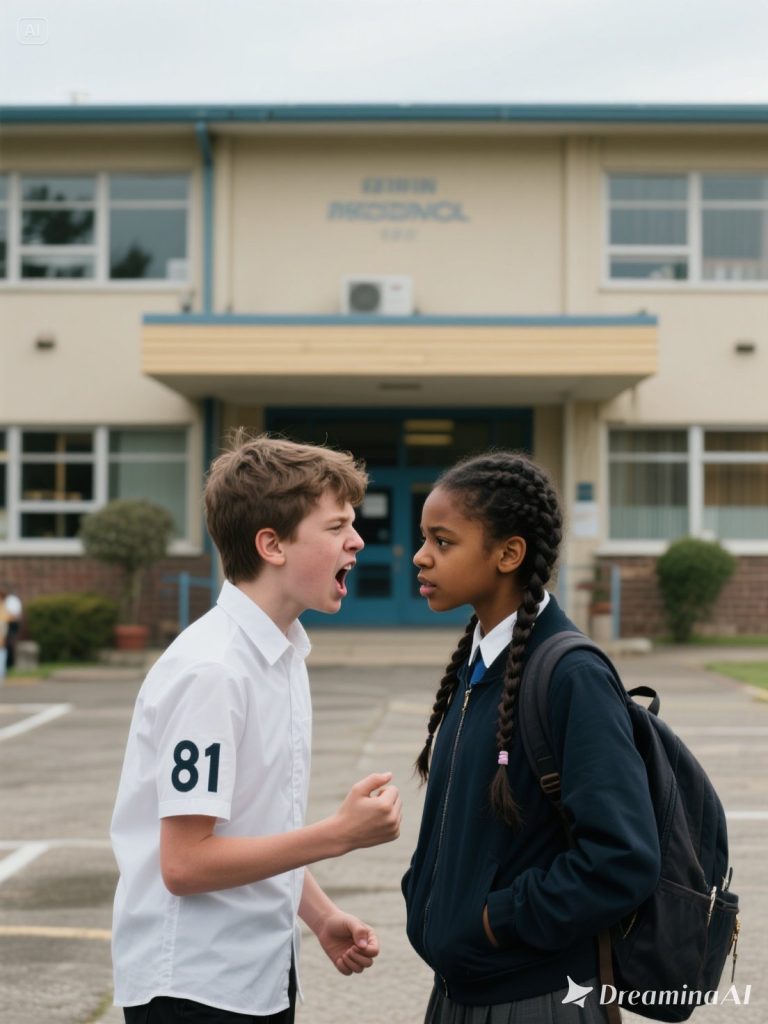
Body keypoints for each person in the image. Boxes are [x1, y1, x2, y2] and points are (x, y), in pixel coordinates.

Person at [111, 434, 402, 1024]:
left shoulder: (282, 652)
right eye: (336, 525)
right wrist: (338, 834)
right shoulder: (213, 671)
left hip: (258, 975)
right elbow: (186, 863)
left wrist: (319, 916)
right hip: (194, 987)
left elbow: (255, 829)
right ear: (271, 544)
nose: (357, 540)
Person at [402, 451, 660, 1024]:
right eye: (424, 539)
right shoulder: (479, 665)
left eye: (442, 542)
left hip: (535, 1002)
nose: (420, 557)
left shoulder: (570, 675)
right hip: (460, 991)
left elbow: (622, 859)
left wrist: (494, 919)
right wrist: (425, 896)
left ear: (508, 553)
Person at [2, 584, 22, 671]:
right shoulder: (6, 601)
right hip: (5, 623)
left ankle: (9, 663)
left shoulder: (12, 600)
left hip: (10, 624)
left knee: (8, 644)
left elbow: (13, 615)